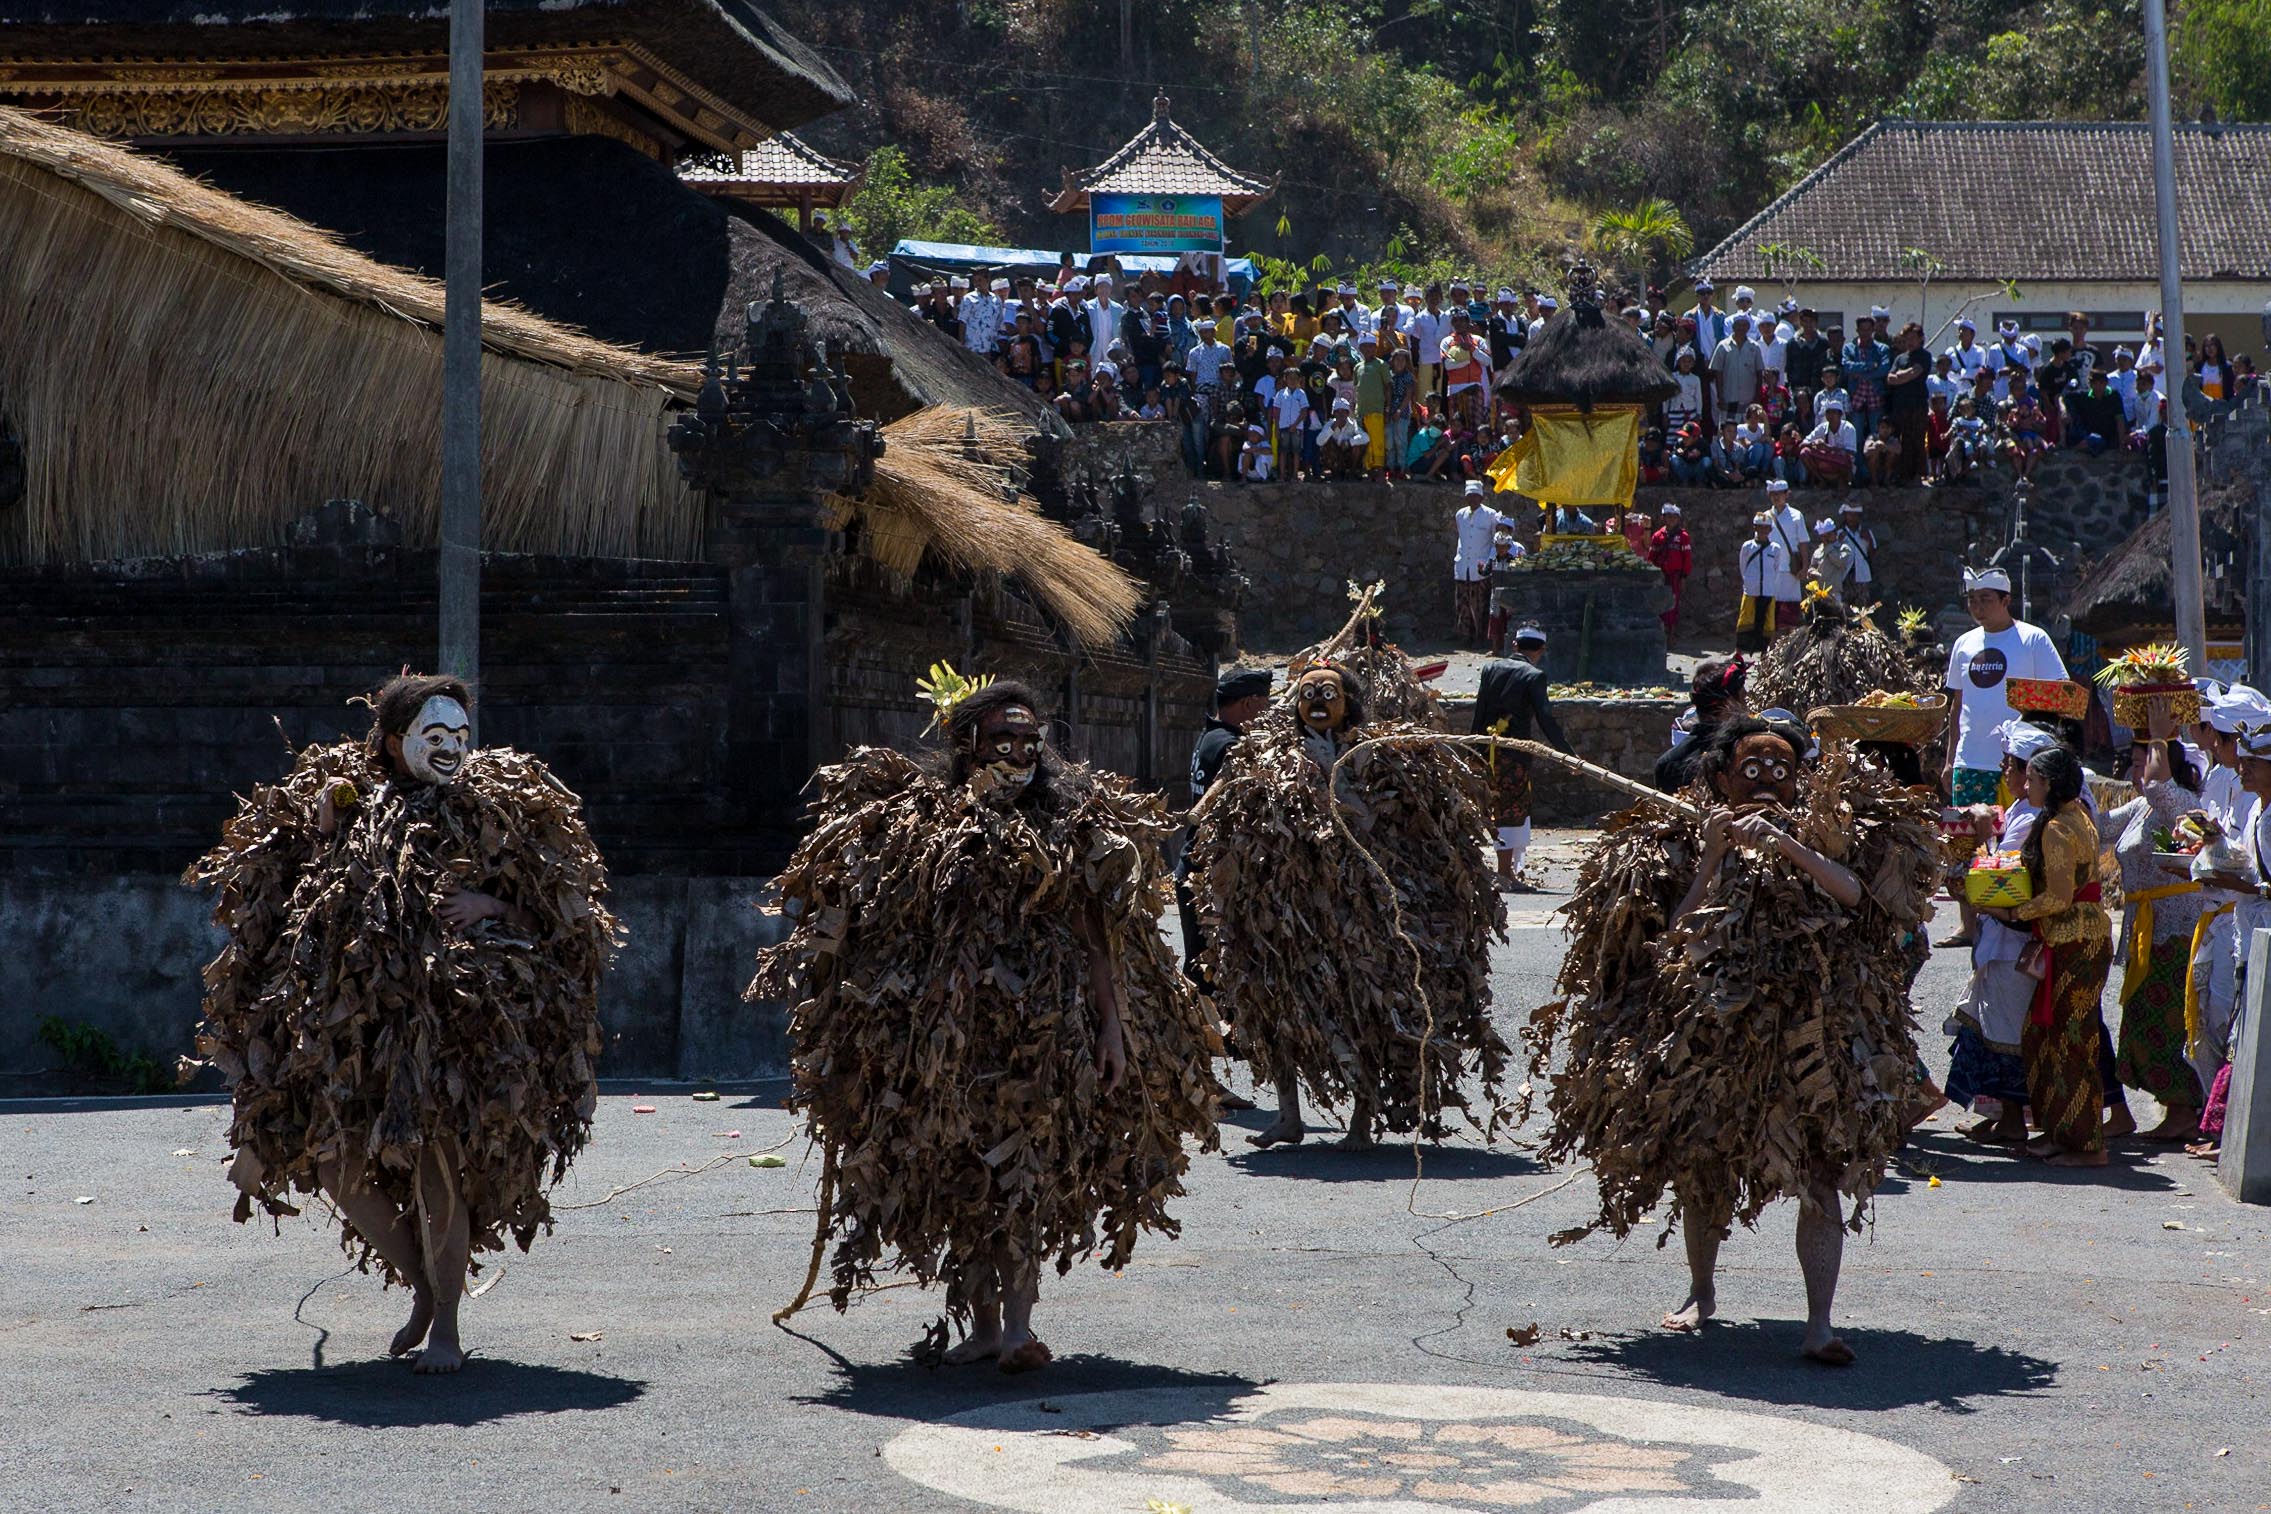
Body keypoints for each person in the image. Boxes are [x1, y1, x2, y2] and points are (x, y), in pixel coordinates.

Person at [752, 672, 1220, 1372]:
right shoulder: (918, 824)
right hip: (947, 1038)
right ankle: (983, 1325)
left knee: (1029, 1171)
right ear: (966, 741)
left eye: (1030, 739)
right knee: (962, 1173)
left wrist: (1112, 1030)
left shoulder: (1069, 823)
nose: (1019, 750)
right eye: (1004, 736)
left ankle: (1018, 1327)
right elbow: (878, 930)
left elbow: (1100, 939)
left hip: (1046, 1031)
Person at [184, 674, 616, 1374]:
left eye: (460, 738)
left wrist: (489, 906)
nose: (450, 752)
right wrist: (326, 829)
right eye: (432, 738)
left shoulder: (499, 811)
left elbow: (567, 921)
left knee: (437, 1167)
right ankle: (422, 1288)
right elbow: (307, 909)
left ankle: (445, 1324)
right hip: (358, 1029)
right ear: (392, 741)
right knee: (335, 1163)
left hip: (454, 1028)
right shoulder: (354, 805)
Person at [1531, 716, 1941, 1364]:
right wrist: (1713, 858)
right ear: (1723, 776)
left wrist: (1787, 845)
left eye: (1780, 771)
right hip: (1715, 1036)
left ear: (1800, 778)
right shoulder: (1693, 835)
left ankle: (1819, 1324)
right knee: (1703, 1170)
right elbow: (1670, 934)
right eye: (1752, 771)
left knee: (1821, 1174)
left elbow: (1853, 894)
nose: (1766, 783)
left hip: (1812, 1034)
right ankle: (1700, 1290)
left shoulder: (1819, 829)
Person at [1189, 656, 1509, 1150]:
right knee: (1279, 1002)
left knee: (1360, 1005)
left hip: (1360, 904)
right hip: (1288, 904)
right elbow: (1220, 795)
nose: (1318, 700)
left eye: (1329, 692)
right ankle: (1289, 1116)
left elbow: (1411, 819)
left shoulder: (1377, 753)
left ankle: (1361, 1122)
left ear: (1348, 704)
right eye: (1308, 692)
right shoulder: (1269, 754)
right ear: (1295, 704)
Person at [1974, 747, 2111, 1166]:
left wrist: (2012, 911)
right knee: (2046, 1037)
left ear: (2048, 783)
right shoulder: (2077, 817)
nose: (2026, 785)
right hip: (2079, 939)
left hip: (2076, 941)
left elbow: (2058, 896)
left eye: (2032, 779)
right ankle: (2059, 1131)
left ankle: (2085, 1146)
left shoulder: (2056, 827)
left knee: (2070, 1042)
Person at [1943, 718, 2060, 1143]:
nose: (2005, 774)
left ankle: (2013, 1121)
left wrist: (1979, 837)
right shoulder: (2019, 811)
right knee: (1989, 1025)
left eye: (2011, 766)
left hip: (2015, 939)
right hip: (2002, 938)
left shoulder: (2030, 818)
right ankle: (2002, 1116)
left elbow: (2002, 877)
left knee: (2008, 1034)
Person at [2103, 706, 2209, 1141]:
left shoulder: (2179, 803)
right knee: (2144, 1016)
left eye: (2141, 761)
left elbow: (2162, 788)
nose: (2135, 771)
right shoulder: (2140, 808)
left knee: (2169, 1021)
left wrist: (2162, 736)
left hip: (2175, 930)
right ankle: (2173, 1111)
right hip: (2144, 927)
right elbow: (2098, 828)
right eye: (2131, 762)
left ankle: (2183, 1112)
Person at [1942, 567, 2067, 805]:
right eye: (1972, 600)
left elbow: (2059, 697)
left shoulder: (2033, 639)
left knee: (2014, 839)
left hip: (2019, 765)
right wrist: (1950, 760)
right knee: (1967, 839)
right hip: (1970, 761)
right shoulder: (1963, 644)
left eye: (1986, 599)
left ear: (2006, 600)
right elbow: (1958, 707)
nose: (1977, 607)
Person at [1472, 627, 1574, 891]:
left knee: (1500, 808)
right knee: (1511, 810)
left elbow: (1480, 711)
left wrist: (1473, 750)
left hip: (1488, 752)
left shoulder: (1490, 669)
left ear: (1515, 645)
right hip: (1514, 757)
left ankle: (1506, 871)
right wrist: (1567, 754)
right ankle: (1505, 873)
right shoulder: (1534, 675)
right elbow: (1546, 719)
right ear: (1540, 651)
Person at [1655, 654, 1751, 793]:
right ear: (1727, 705)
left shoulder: (1667, 763)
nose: (1747, 708)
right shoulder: (1746, 757)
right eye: (1743, 700)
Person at [1452, 480, 1507, 646]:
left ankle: (1480, 637)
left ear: (1481, 497)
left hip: (1481, 567)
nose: (1473, 499)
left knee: (1480, 604)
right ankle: (1465, 635)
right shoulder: (1460, 514)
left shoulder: (1490, 515)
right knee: (1463, 603)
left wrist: (1489, 562)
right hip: (1463, 565)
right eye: (1470, 496)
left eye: (1476, 496)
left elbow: (1494, 541)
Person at [1762, 478, 1810, 633]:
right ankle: (1769, 647)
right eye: (1773, 494)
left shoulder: (1797, 515)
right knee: (1770, 609)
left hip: (1790, 569)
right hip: (1771, 569)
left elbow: (1803, 542)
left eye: (1779, 493)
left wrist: (1805, 566)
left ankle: (1789, 647)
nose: (1776, 497)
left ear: (1786, 494)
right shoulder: (1765, 517)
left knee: (1790, 610)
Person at [1734, 513, 1786, 654]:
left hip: (1768, 591)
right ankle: (1739, 652)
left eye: (1766, 527)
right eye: (1760, 527)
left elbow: (1776, 568)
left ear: (1770, 530)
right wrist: (1750, 580)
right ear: (1755, 527)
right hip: (1751, 590)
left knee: (1767, 623)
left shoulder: (1775, 548)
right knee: (1745, 620)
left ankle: (1764, 653)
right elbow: (1743, 566)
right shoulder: (1747, 546)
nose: (1763, 530)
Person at [1649, 502, 1693, 644]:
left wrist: (1684, 577)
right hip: (1661, 576)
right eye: (1668, 517)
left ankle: (1672, 634)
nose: (1671, 520)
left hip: (1675, 576)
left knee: (1673, 605)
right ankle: (1660, 633)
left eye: (1674, 517)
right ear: (1663, 518)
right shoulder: (1657, 536)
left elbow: (1686, 558)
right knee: (1660, 603)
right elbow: (1652, 556)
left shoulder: (1683, 536)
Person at [1799, 402, 1858, 486]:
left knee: (1844, 458)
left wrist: (1829, 448)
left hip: (1840, 463)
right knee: (1804, 452)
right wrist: (1814, 444)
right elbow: (1802, 444)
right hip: (1825, 460)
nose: (1831, 415)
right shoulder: (1822, 427)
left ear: (1840, 414)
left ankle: (1843, 483)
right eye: (1828, 412)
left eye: (1834, 412)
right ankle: (1821, 480)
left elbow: (1852, 452)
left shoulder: (1848, 428)